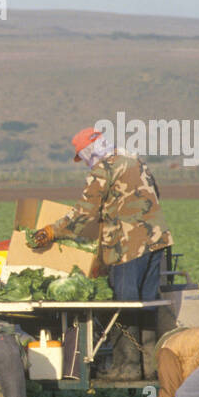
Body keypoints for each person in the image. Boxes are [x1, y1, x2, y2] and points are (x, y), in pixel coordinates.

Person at [28, 127, 173, 379]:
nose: (85, 162)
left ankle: (127, 368)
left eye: (83, 157)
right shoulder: (136, 161)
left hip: (127, 246)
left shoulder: (103, 169)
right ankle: (152, 368)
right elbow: (155, 196)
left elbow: (84, 213)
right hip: (156, 241)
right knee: (148, 303)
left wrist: (52, 231)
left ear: (88, 152)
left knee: (124, 304)